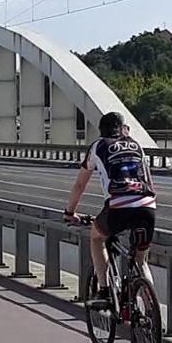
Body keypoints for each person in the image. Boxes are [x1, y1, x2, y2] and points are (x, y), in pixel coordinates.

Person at [63, 112, 158, 307]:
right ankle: (152, 316)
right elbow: (149, 181)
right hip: (147, 206)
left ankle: (104, 290)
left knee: (96, 237)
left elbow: (80, 185)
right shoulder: (137, 146)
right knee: (141, 261)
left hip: (118, 207)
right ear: (124, 129)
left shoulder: (99, 146)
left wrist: (70, 212)